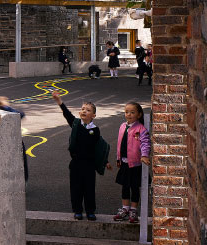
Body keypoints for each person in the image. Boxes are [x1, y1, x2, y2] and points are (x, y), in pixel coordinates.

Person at [52, 91, 111, 220]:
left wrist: (105, 160)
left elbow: (99, 147)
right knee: (76, 188)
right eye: (82, 109)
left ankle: (90, 211)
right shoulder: (76, 124)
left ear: (93, 115)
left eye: (88, 110)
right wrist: (59, 102)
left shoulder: (95, 130)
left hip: (89, 164)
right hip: (76, 163)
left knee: (89, 188)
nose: (84, 111)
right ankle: (77, 210)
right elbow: (67, 115)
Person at [113, 101, 151, 223]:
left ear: (139, 115)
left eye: (132, 112)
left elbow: (145, 143)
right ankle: (125, 208)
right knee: (125, 186)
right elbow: (120, 144)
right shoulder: (122, 126)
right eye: (126, 112)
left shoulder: (141, 129)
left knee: (134, 187)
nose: (128, 114)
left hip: (135, 164)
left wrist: (144, 155)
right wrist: (118, 158)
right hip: (124, 163)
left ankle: (133, 210)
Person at [0, 96, 28, 182]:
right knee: (20, 161)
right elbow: (21, 114)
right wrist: (6, 106)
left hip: (4, 140)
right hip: (13, 140)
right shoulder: (6, 110)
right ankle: (22, 181)